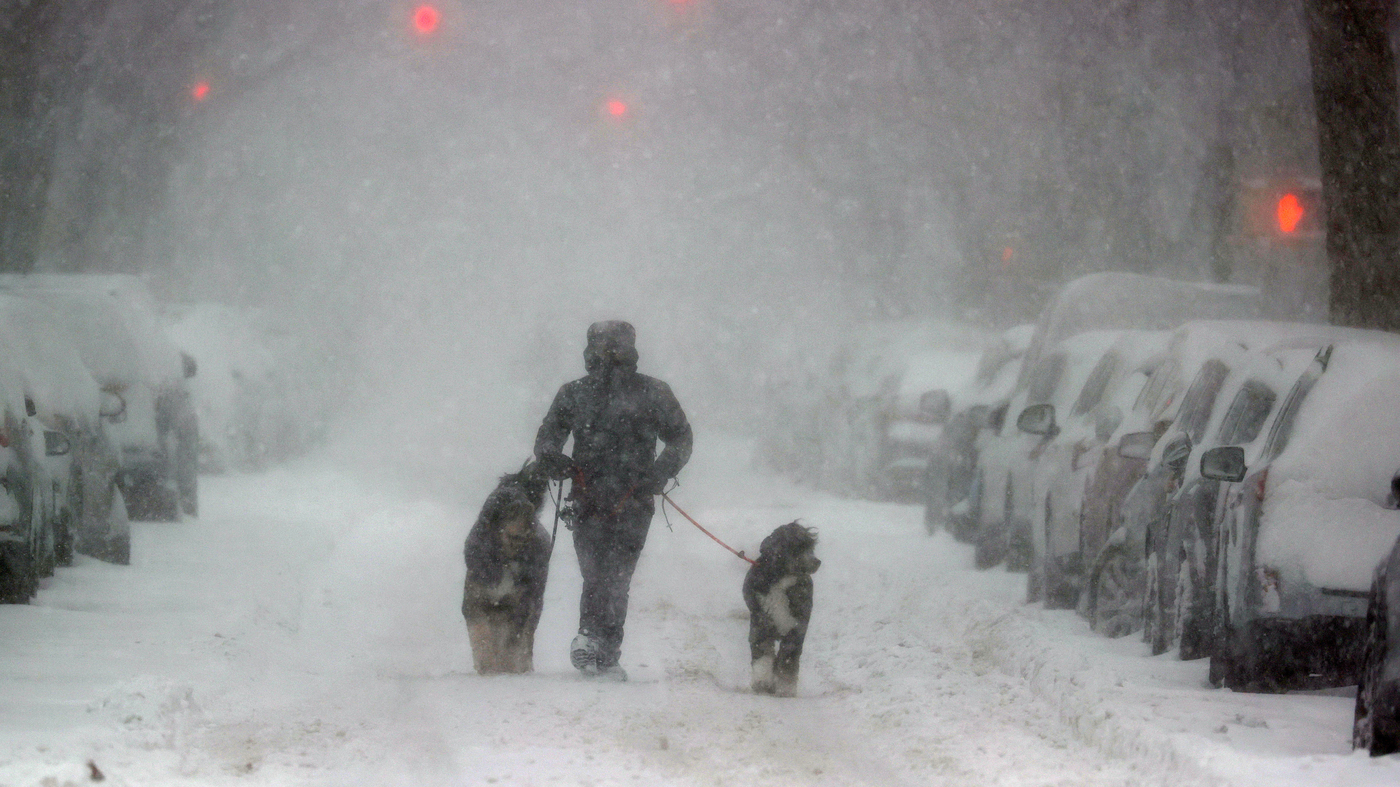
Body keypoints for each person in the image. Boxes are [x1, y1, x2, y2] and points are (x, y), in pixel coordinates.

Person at [534, 320, 692, 680]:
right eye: (603, 347)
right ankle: (597, 646)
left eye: (614, 347)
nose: (609, 354)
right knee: (600, 573)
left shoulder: (650, 392)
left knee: (613, 574)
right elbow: (547, 438)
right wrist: (551, 458)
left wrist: (659, 471)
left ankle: (597, 645)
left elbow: (681, 438)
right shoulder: (576, 394)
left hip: (633, 497)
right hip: (588, 496)